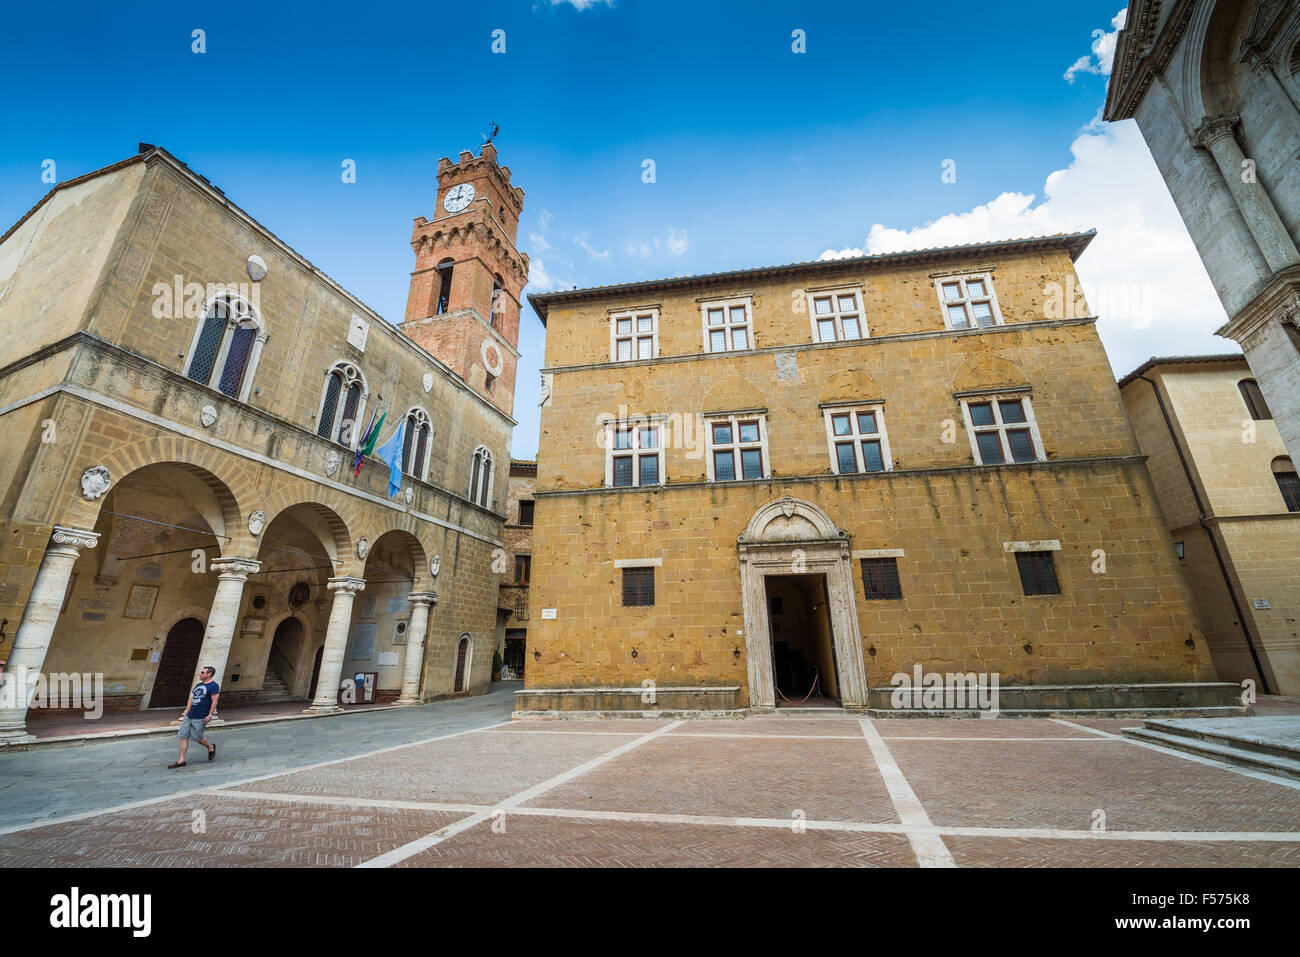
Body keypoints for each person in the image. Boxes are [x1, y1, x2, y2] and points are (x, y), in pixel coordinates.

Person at [169, 666, 219, 769]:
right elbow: (192, 700)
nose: (200, 674)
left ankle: (210, 746)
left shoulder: (214, 686)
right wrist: (186, 713)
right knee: (184, 736)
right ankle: (181, 760)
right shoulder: (198, 685)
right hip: (190, 715)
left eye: (202, 672)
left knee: (197, 737)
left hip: (201, 715)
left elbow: (214, 701)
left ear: (209, 674)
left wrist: (210, 714)